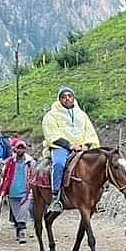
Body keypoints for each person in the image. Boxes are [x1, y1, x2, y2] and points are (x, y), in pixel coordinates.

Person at [42, 85, 100, 213]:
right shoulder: (51, 115)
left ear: (73, 98)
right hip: (61, 147)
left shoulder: (82, 115)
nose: (67, 99)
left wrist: (87, 145)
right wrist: (70, 145)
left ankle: (96, 197)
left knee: (97, 164)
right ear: (59, 100)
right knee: (59, 164)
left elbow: (90, 132)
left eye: (70, 96)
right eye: (64, 97)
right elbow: (52, 134)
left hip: (82, 147)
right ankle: (55, 196)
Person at [0, 138, 36, 244]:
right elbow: (3, 173)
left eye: (22, 148)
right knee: (16, 214)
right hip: (12, 191)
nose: (20, 150)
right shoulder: (10, 162)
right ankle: (19, 230)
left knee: (23, 212)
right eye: (18, 148)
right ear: (15, 149)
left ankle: (22, 233)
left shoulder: (30, 162)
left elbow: (34, 176)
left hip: (26, 191)